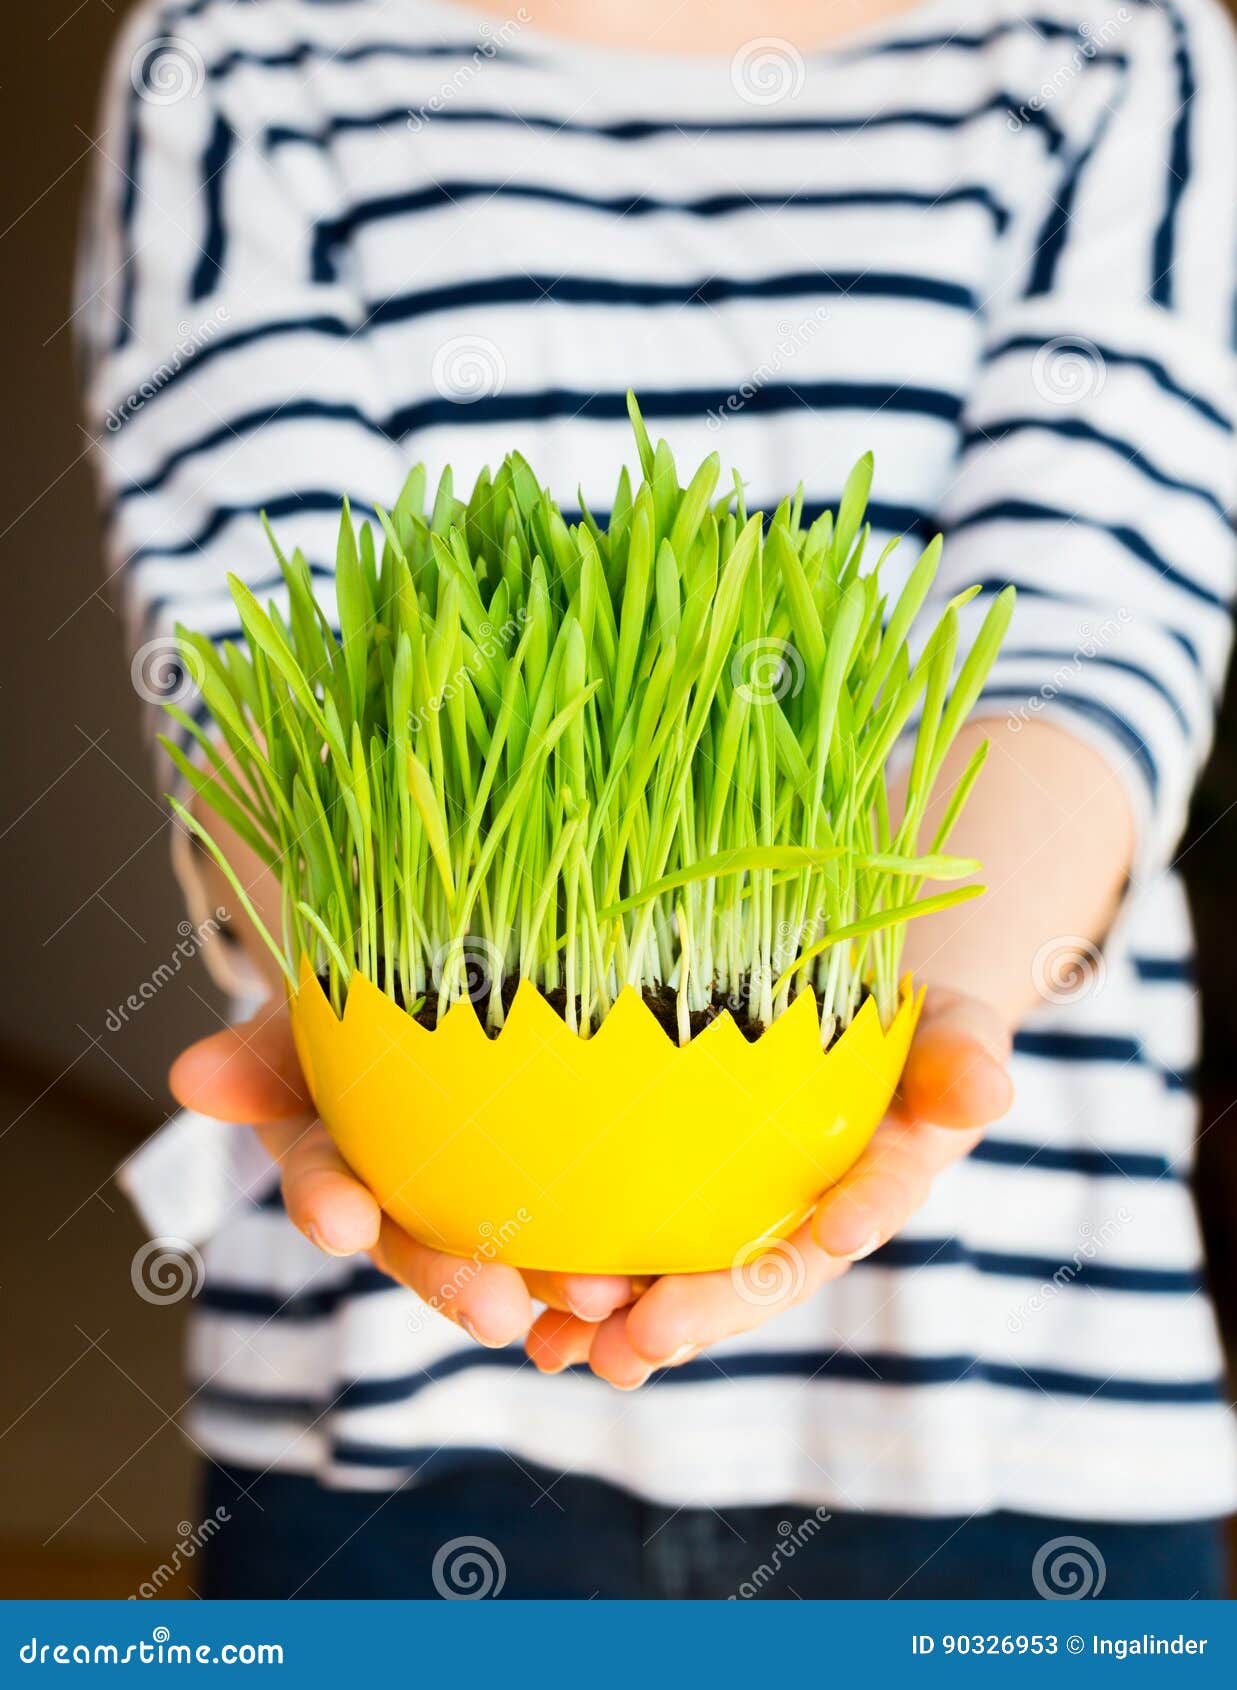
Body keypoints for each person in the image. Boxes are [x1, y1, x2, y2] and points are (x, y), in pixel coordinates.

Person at [80, 0, 1236, 1598]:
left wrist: (945, 988)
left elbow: (1087, 632)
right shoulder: (246, 44)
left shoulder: (1109, 42)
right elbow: (255, 645)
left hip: (1016, 1400)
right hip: (389, 1420)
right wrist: (348, 955)